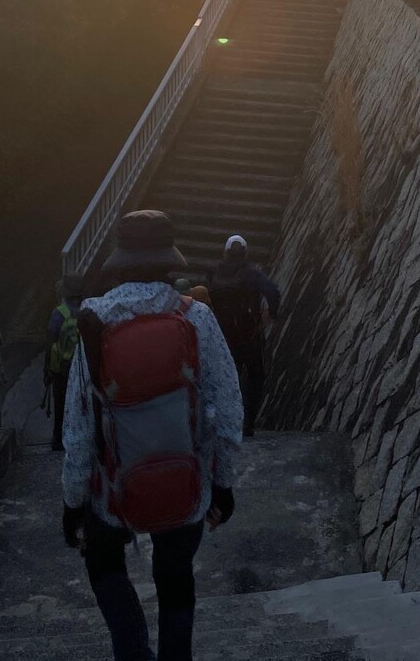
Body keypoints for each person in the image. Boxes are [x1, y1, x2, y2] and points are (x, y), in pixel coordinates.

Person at [61, 210, 242, 661]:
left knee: (103, 561)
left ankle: (132, 651)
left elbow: (79, 429)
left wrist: (72, 504)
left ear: (119, 261)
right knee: (176, 574)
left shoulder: (93, 320)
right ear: (169, 261)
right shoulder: (196, 317)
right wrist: (223, 485)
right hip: (188, 485)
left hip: (113, 495)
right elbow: (228, 412)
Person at [207, 235, 281, 439]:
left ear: (226, 252)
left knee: (230, 380)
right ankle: (247, 425)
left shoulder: (213, 273)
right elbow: (273, 292)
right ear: (245, 253)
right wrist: (271, 315)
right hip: (250, 337)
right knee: (256, 377)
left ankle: (228, 423)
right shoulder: (252, 273)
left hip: (224, 339)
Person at [44, 273, 83, 452]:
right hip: (82, 367)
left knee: (60, 404)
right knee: (80, 404)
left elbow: (51, 342)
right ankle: (79, 437)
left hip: (62, 368)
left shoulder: (59, 313)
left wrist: (47, 370)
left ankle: (58, 440)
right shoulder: (87, 309)